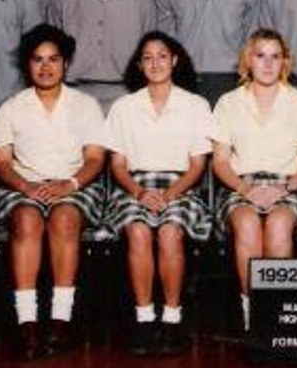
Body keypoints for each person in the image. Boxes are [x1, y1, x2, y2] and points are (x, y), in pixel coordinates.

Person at [0, 24, 108, 360]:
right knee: (26, 219)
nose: (45, 67)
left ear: (65, 64)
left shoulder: (85, 104)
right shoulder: (11, 107)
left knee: (65, 217)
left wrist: (68, 185)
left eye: (53, 59)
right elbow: (1, 162)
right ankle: (27, 323)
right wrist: (26, 186)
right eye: (38, 60)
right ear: (28, 65)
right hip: (21, 186)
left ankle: (60, 320)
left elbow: (96, 158)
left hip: (73, 185)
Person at [103, 31, 214, 355]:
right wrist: (139, 193)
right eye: (147, 57)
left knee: (169, 232)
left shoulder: (195, 105)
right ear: (139, 65)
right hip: (134, 188)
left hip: (180, 187)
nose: (155, 63)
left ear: (175, 60)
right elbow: (118, 165)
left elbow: (197, 166)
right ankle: (144, 319)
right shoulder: (124, 106)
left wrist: (168, 195)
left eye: (162, 56)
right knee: (137, 231)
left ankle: (172, 319)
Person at [211, 29, 297, 331]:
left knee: (278, 223)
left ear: (285, 62)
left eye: (276, 56)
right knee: (247, 222)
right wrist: (246, 189)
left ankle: (276, 311)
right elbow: (220, 162)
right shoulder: (228, 102)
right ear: (248, 60)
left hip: (289, 184)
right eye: (261, 55)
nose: (268, 63)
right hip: (240, 184)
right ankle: (253, 313)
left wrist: (283, 189)